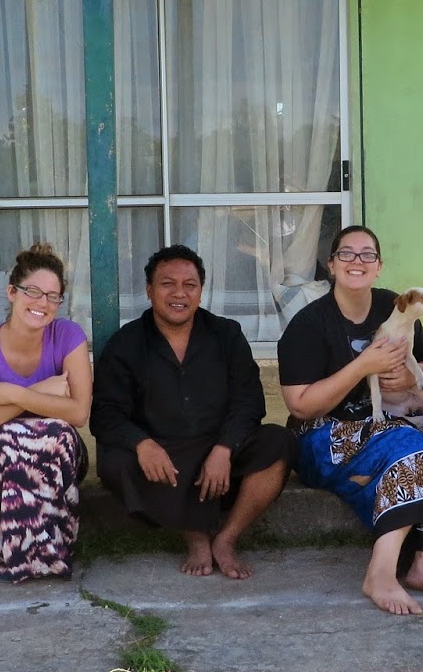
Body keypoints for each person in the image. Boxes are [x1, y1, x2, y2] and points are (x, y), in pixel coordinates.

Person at [277, 225, 423, 616]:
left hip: (394, 420)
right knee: (405, 442)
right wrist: (363, 365)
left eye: (367, 254)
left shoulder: (394, 305)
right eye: (346, 253)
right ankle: (381, 573)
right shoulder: (309, 323)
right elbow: (300, 406)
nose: (357, 261)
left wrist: (410, 379)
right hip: (324, 436)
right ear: (331, 265)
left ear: (379, 265)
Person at [92, 245, 294, 580]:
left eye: (190, 285)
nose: (179, 294)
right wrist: (142, 444)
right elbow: (104, 413)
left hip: (219, 452)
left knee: (279, 441)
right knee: (115, 463)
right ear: (149, 290)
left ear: (201, 291)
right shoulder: (126, 344)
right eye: (167, 284)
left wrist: (225, 448)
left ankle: (226, 539)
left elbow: (249, 402)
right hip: (163, 456)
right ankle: (196, 538)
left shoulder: (226, 334)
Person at [0, 242, 92, 582]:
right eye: (33, 291)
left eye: (52, 296)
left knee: (54, 435)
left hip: (59, 456)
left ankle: (25, 556)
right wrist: (39, 392)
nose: (42, 303)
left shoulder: (69, 336)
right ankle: (41, 555)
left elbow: (78, 414)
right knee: (9, 442)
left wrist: (13, 395)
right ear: (12, 292)